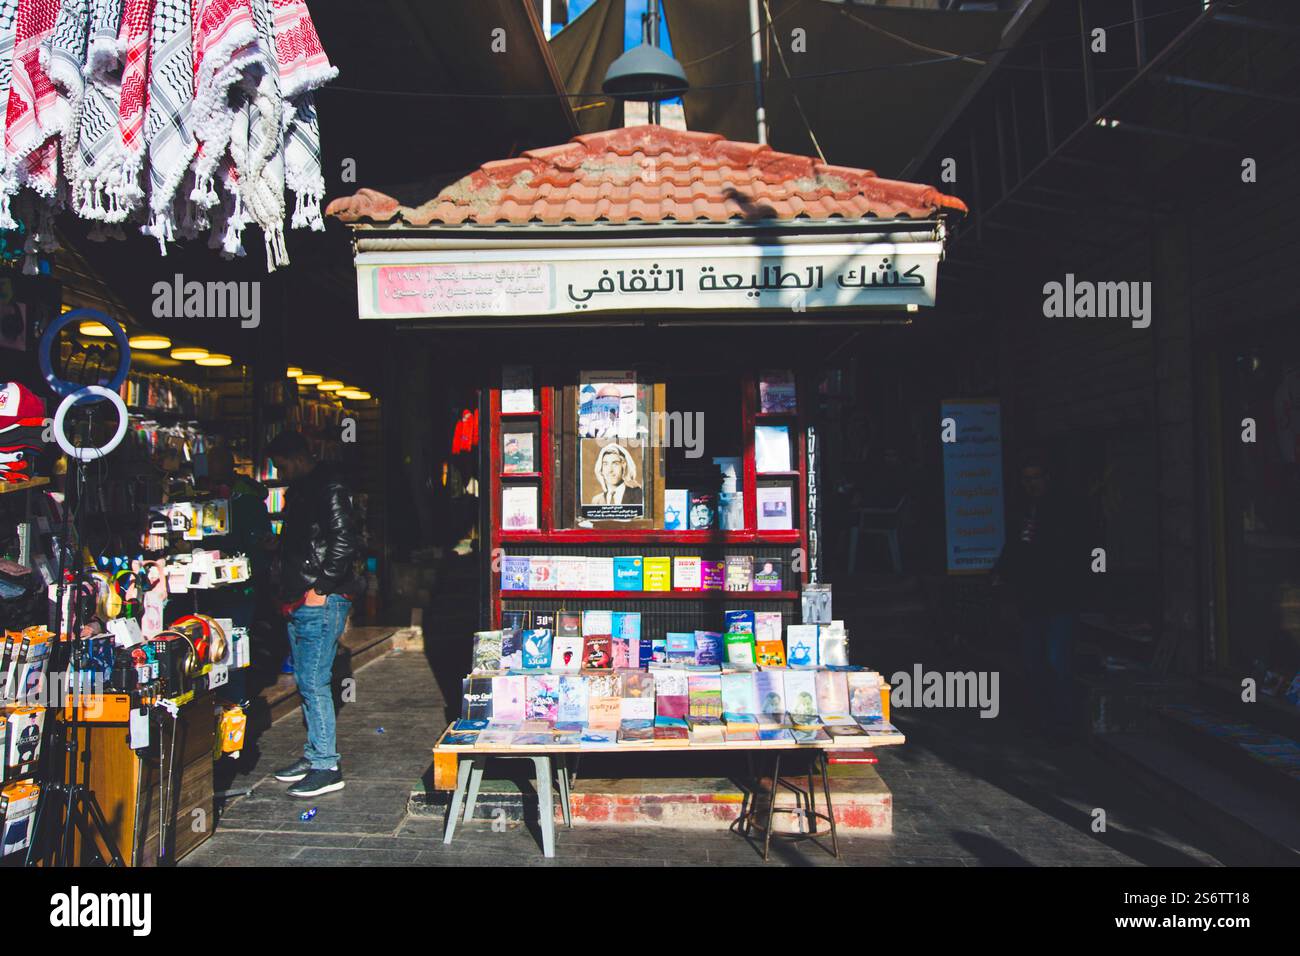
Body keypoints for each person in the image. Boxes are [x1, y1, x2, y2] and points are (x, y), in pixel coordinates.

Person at [266, 430, 362, 797]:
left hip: (317, 598)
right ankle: (314, 754)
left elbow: (344, 539)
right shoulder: (305, 489)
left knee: (313, 682)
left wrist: (321, 587)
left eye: (283, 465)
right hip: (299, 596)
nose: (281, 472)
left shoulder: (329, 487)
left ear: (300, 457)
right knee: (308, 681)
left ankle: (326, 764)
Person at [993, 452, 1085, 740]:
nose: (1031, 484)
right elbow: (1014, 550)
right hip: (1032, 600)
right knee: (1034, 662)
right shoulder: (1023, 512)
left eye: (1036, 478)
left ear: (1047, 479)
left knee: (1057, 661)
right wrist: (1001, 574)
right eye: (1026, 478)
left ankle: (1063, 724)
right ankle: (1041, 719)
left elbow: (1066, 552)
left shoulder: (1062, 510)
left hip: (1058, 597)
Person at [198, 444, 271, 710]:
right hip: (211, 586)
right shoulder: (204, 495)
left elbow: (259, 542)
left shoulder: (246, 499)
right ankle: (220, 703)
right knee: (217, 644)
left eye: (216, 463)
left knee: (233, 644)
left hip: (239, 587)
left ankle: (234, 705)